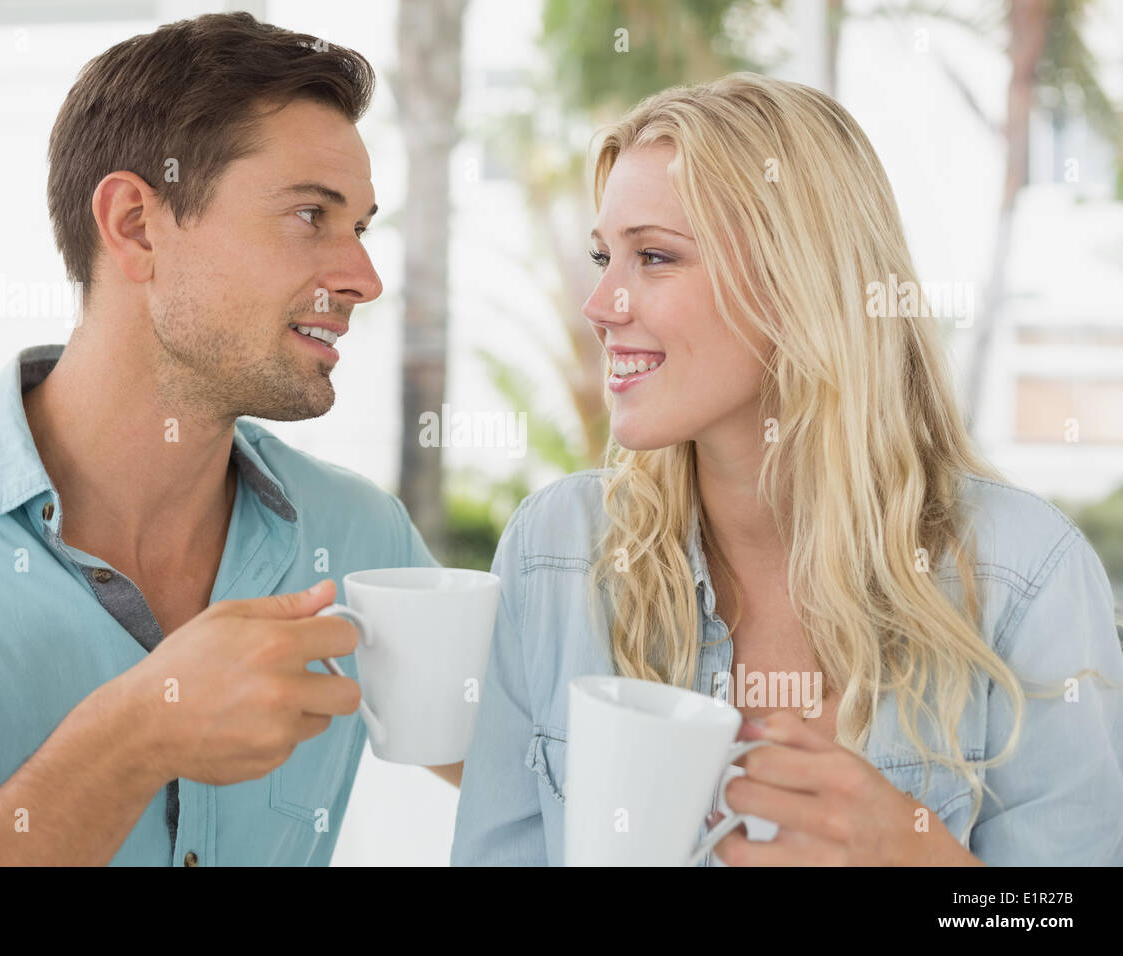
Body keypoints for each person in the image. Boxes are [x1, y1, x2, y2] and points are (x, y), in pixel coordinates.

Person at [0, 12, 453, 867]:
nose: (365, 278)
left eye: (362, 228)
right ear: (135, 224)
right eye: (311, 214)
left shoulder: (361, 539)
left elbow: (551, 772)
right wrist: (136, 736)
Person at [451, 73, 1123, 866]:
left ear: (799, 283)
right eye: (606, 257)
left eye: (655, 257)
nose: (600, 303)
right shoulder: (556, 550)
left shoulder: (1025, 577)